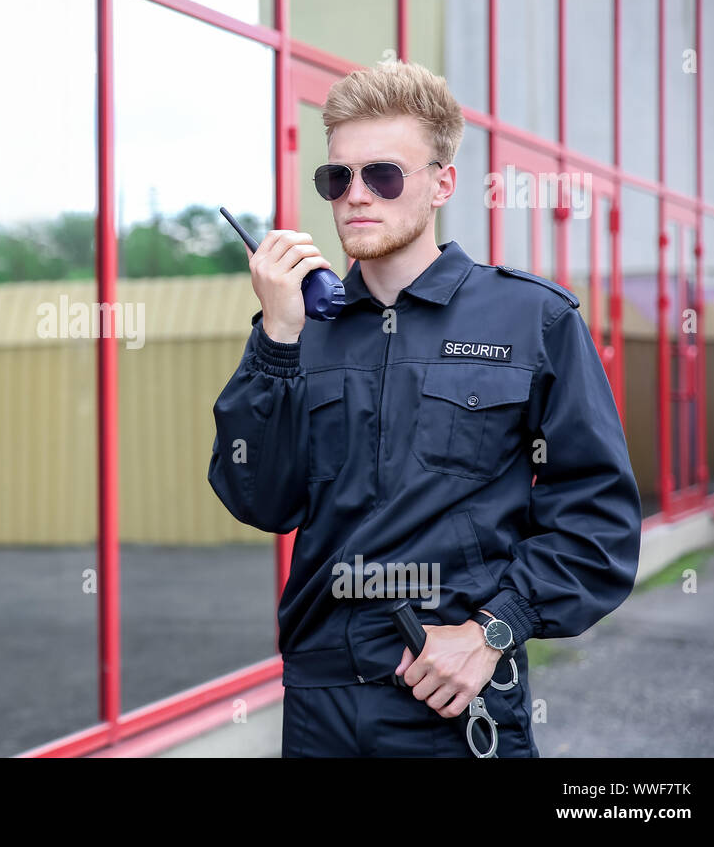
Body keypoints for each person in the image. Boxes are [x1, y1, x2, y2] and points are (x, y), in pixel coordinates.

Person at [206, 60, 642, 757]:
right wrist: (278, 339)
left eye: (382, 175)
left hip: (455, 702)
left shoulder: (531, 318)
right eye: (336, 177)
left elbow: (599, 519)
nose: (354, 197)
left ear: (443, 183)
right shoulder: (295, 329)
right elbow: (259, 499)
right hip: (320, 707)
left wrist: (492, 630)